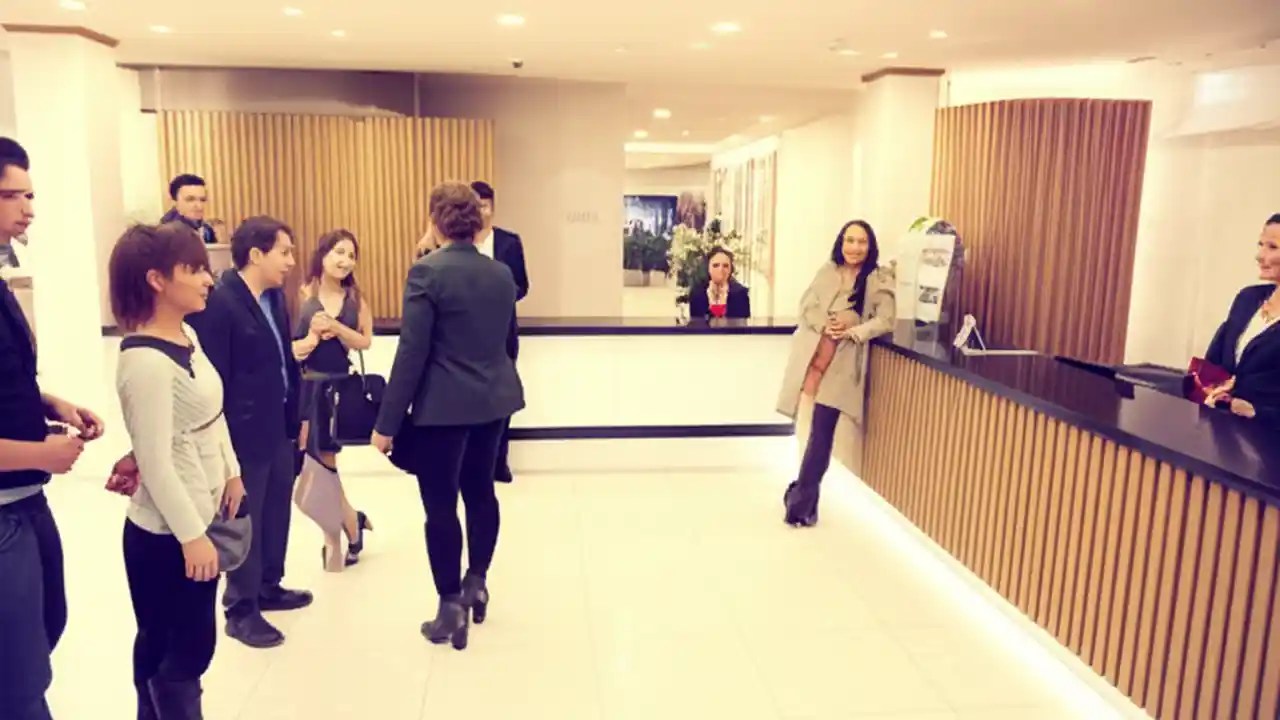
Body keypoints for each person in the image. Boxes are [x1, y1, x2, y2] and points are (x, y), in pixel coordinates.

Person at [372, 181, 524, 650]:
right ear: (478, 223)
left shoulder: (426, 273)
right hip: (494, 402)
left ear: (435, 222)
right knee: (481, 493)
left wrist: (386, 422)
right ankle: (476, 580)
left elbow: (412, 352)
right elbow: (507, 343)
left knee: (440, 507)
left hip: (443, 409)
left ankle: (448, 607)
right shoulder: (501, 274)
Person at [109, 223, 245, 719]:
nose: (208, 279)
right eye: (194, 269)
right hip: (165, 533)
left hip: (199, 514)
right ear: (157, 280)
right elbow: (156, 462)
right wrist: (192, 536)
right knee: (182, 650)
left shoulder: (185, 335)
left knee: (171, 644)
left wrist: (231, 471)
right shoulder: (144, 361)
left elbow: (211, 412)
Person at [0, 137, 105, 720]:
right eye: (10, 195)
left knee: (42, 634)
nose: (28, 208)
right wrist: (37, 450)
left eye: (30, 194)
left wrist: (51, 403)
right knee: (19, 680)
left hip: (26, 500)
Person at [187, 216, 311, 649]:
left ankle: (268, 586)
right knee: (246, 519)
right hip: (241, 434)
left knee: (277, 510)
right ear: (256, 254)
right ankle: (241, 609)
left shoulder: (274, 299)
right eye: (285, 252)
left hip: (278, 425)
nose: (292, 262)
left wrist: (298, 418)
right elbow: (211, 378)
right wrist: (222, 451)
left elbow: (284, 361)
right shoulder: (220, 303)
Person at [776, 220, 895, 527]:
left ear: (870, 247)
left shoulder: (877, 278)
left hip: (840, 365)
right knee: (806, 430)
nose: (854, 248)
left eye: (861, 242)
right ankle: (805, 498)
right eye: (849, 240)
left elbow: (886, 319)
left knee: (821, 434)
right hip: (812, 358)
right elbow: (807, 305)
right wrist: (823, 323)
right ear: (841, 243)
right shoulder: (827, 271)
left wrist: (855, 331)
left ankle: (798, 502)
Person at [292, 229, 375, 570]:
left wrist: (339, 330)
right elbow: (289, 347)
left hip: (340, 390)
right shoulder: (300, 293)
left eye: (351, 255)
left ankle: (334, 539)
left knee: (327, 462)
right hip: (306, 388)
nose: (345, 260)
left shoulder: (356, 298)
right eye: (338, 252)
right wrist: (313, 336)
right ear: (322, 254)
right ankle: (352, 523)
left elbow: (366, 342)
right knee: (317, 465)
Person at [470, 181, 528, 484]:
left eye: (485, 204)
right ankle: (474, 463)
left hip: (502, 332)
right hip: (466, 335)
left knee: (502, 398)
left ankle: (499, 462)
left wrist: (495, 296)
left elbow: (522, 285)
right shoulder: (460, 243)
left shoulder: (508, 242)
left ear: (492, 207)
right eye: (474, 204)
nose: (480, 210)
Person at [1203, 213, 1280, 425]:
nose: (1259, 255)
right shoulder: (1247, 298)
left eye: (1272, 247)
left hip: (1268, 444)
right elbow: (1214, 362)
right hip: (1219, 428)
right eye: (1261, 244)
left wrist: (1257, 412)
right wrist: (1211, 388)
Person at [688, 246, 752, 319]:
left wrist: (724, 300)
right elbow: (696, 325)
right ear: (708, 268)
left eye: (725, 266)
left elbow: (743, 326)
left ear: (731, 269)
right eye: (716, 265)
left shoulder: (741, 293)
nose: (721, 269)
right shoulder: (697, 293)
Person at [161, 174, 217, 245]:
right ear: (174, 202)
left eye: (202, 200)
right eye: (190, 200)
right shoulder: (164, 235)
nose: (199, 206)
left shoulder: (207, 230)